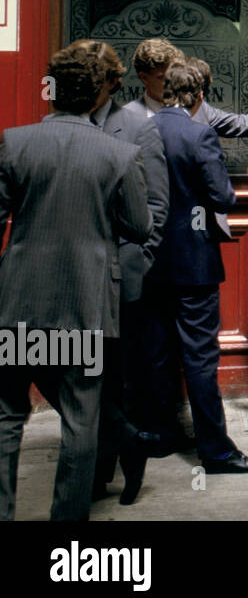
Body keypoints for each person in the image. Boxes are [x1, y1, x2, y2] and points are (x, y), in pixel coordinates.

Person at [0, 44, 151, 520]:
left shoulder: (13, 143)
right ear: (98, 94)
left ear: (53, 90)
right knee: (81, 419)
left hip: (19, 304)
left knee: (6, 418)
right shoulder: (120, 154)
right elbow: (141, 227)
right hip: (83, 306)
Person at [146, 63, 248, 476]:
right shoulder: (199, 133)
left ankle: (161, 435)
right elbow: (223, 196)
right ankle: (215, 451)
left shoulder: (139, 128)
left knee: (159, 352)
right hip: (193, 262)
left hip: (150, 260)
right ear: (198, 96)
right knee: (200, 358)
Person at [75, 41, 169, 500]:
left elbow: (157, 203)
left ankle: (113, 463)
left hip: (121, 278)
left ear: (112, 82)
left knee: (118, 377)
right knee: (82, 376)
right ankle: (99, 462)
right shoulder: (65, 122)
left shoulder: (136, 125)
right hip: (74, 276)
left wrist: (138, 262)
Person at [121, 38, 185, 118]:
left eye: (173, 75)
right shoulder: (127, 116)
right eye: (162, 77)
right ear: (144, 78)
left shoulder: (192, 112)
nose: (172, 83)